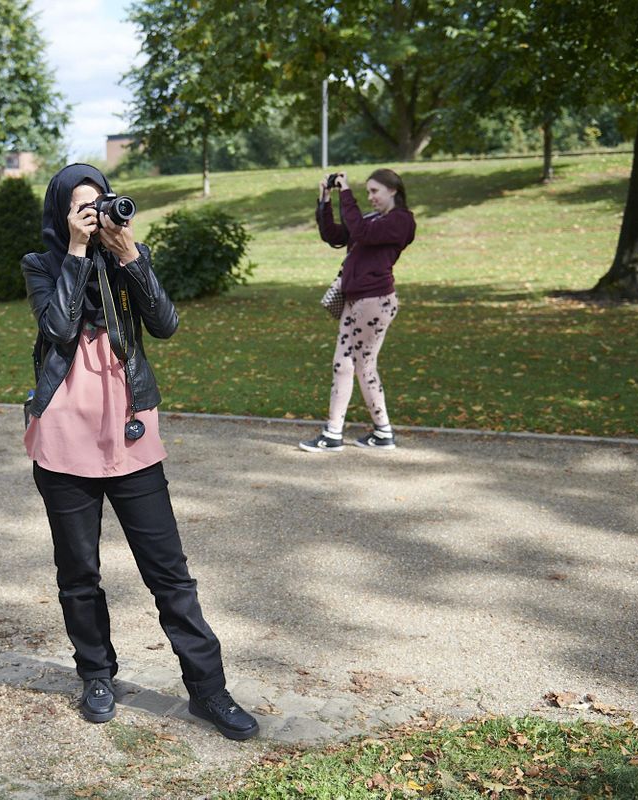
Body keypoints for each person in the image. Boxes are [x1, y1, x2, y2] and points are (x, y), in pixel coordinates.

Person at [21, 164, 259, 741]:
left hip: (130, 431)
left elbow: (166, 324)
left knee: (170, 575)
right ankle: (97, 676)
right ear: (60, 213)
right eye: (80, 208)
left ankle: (209, 691)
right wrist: (77, 252)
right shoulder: (42, 263)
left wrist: (129, 255)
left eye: (99, 204)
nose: (93, 215)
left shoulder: (128, 255)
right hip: (64, 436)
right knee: (79, 573)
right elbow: (58, 328)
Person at [300, 169, 416, 452]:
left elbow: (361, 234)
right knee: (364, 367)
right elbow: (335, 235)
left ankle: (333, 433)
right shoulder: (372, 219)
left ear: (393, 190)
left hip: (372, 301)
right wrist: (326, 200)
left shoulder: (401, 221)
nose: (371, 198)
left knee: (344, 364)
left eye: (375, 191)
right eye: (368, 193)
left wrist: (347, 193)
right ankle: (382, 431)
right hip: (362, 301)